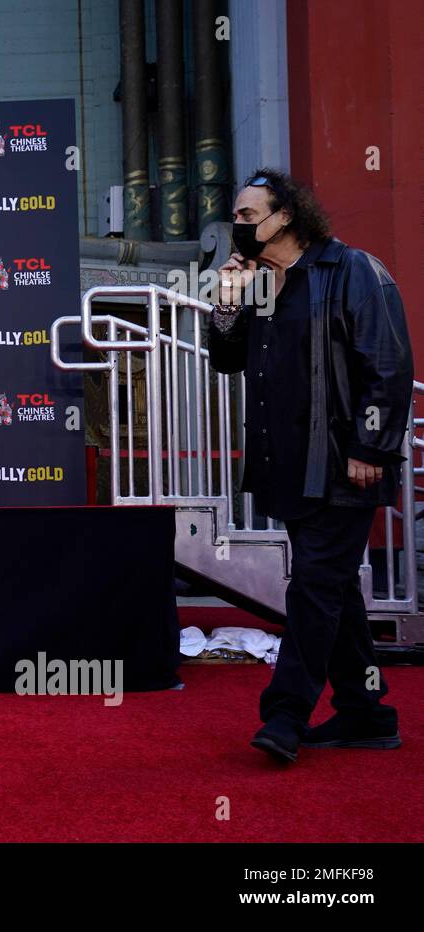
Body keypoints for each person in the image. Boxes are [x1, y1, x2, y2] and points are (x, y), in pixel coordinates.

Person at [207, 170, 412, 762]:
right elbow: (226, 362)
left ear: (287, 216)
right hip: (290, 465)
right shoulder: (262, 284)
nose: (238, 227)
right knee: (335, 590)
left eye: (248, 216)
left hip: (347, 466)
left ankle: (286, 716)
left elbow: (389, 365)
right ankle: (366, 713)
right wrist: (225, 305)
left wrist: (371, 448)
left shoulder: (352, 271)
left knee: (314, 589)